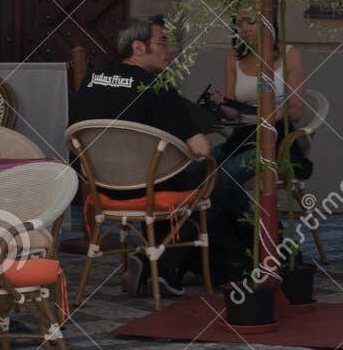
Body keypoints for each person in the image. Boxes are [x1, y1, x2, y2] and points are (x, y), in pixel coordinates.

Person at [73, 15, 246, 293]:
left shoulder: (91, 80)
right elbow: (200, 149)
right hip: (148, 191)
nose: (171, 50)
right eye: (163, 42)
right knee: (218, 183)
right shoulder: (155, 86)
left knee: (190, 181)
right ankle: (160, 265)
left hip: (101, 190)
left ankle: (184, 269)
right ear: (138, 47)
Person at [214, 16, 308, 183]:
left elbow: (296, 108)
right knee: (200, 170)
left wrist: (276, 114)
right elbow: (233, 112)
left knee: (223, 175)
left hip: (275, 137)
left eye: (251, 22)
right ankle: (233, 208)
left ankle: (236, 208)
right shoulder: (233, 56)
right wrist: (220, 104)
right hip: (242, 136)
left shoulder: (289, 54)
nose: (245, 28)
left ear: (269, 24)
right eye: (240, 23)